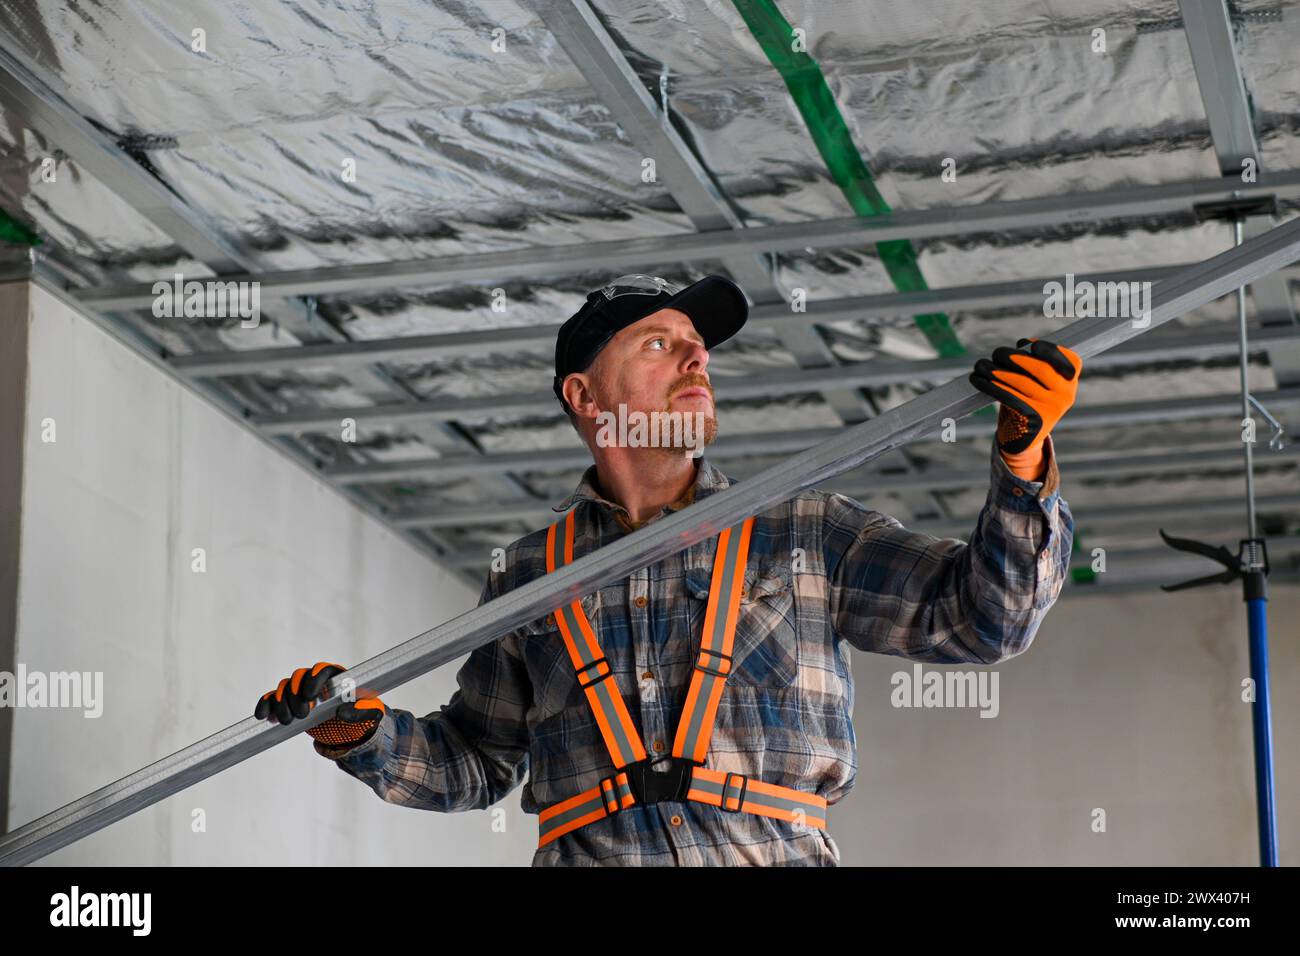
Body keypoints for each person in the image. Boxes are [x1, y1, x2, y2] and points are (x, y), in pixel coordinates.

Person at [255, 273, 1080, 866]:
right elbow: (473, 762)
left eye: (698, 348)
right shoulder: (531, 575)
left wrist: (1024, 457)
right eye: (660, 343)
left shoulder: (801, 527)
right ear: (584, 395)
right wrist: (354, 728)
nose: (696, 361)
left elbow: (984, 621)